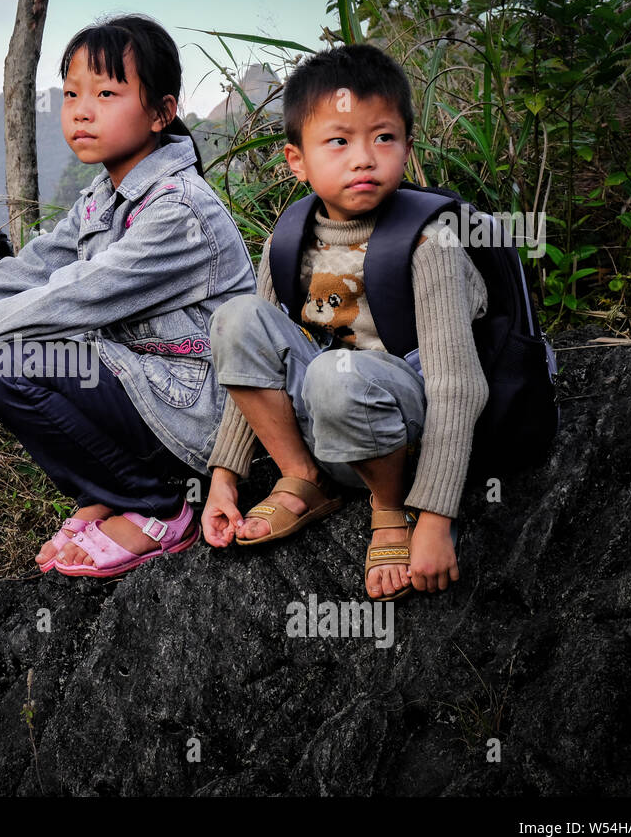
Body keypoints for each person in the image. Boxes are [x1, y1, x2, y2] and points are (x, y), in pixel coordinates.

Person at [0, 14, 255, 579]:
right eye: (73, 93)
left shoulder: (178, 210)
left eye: (107, 93)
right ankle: (112, 491)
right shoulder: (104, 196)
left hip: (200, 408)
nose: (82, 109)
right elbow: (31, 268)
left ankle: (159, 503)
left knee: (8, 357)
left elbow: (78, 295)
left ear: (161, 112)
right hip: (142, 385)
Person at [201, 43, 489, 601]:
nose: (364, 158)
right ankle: (301, 476)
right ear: (297, 160)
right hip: (326, 421)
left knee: (338, 371)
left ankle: (387, 508)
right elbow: (251, 356)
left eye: (383, 137)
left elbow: (458, 384)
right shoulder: (289, 239)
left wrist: (434, 516)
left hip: (403, 428)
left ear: (406, 144)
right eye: (339, 141)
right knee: (236, 318)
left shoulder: (431, 242)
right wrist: (224, 479)